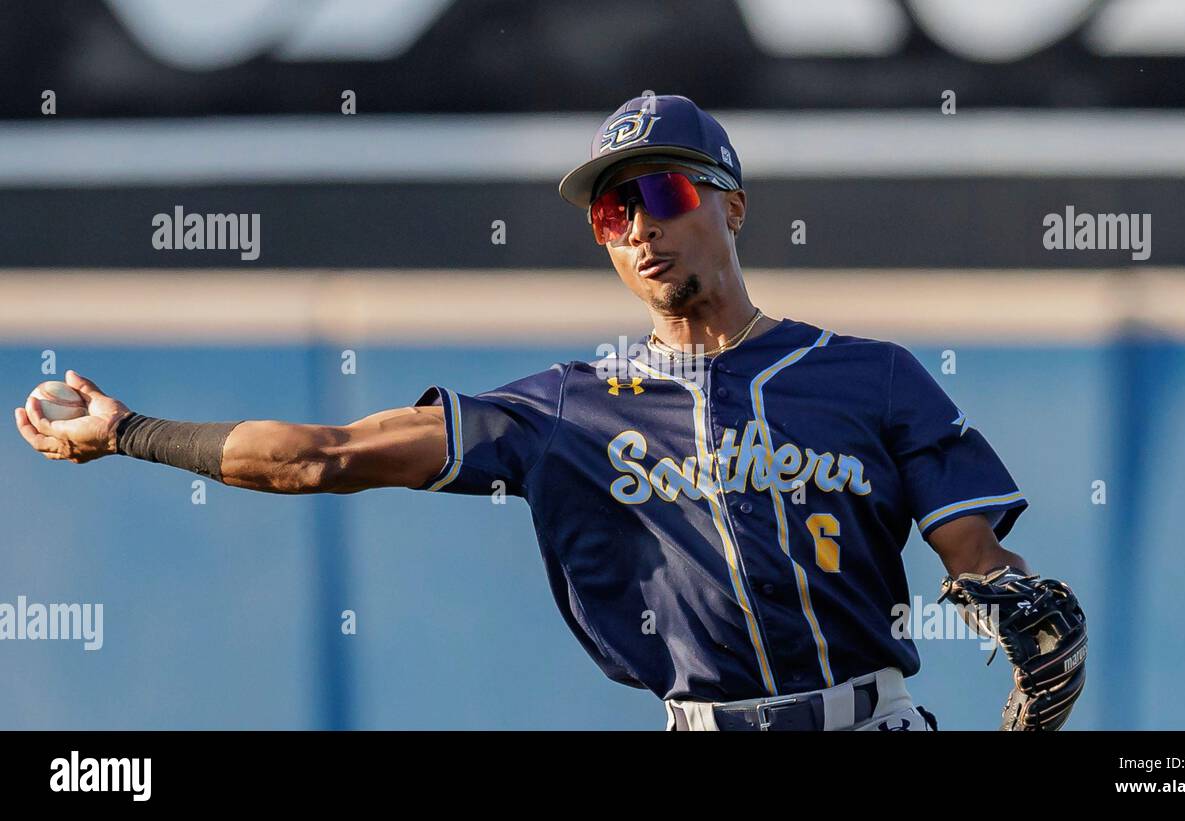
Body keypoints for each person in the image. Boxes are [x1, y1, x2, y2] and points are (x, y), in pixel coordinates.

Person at [14, 94, 1085, 731]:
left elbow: (976, 560)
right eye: (613, 209)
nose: (635, 227)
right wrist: (127, 431)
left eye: (661, 192)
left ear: (732, 203)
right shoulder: (569, 407)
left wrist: (1020, 623)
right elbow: (324, 456)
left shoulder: (871, 376)